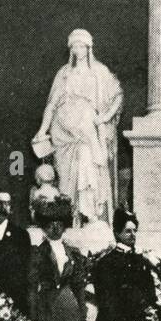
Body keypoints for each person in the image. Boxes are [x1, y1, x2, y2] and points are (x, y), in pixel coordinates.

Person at [33, 28, 124, 227]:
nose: (78, 50)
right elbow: (51, 104)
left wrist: (104, 117)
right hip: (63, 131)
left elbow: (117, 96)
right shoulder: (64, 74)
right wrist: (42, 130)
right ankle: (69, 219)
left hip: (87, 130)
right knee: (65, 178)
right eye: (74, 46)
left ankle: (89, 217)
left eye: (82, 46)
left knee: (88, 168)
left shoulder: (99, 71)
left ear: (89, 48)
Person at [0, 190, 33, 314]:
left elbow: (25, 271)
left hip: (15, 301)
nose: (3, 208)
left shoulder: (21, 235)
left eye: (7, 204)